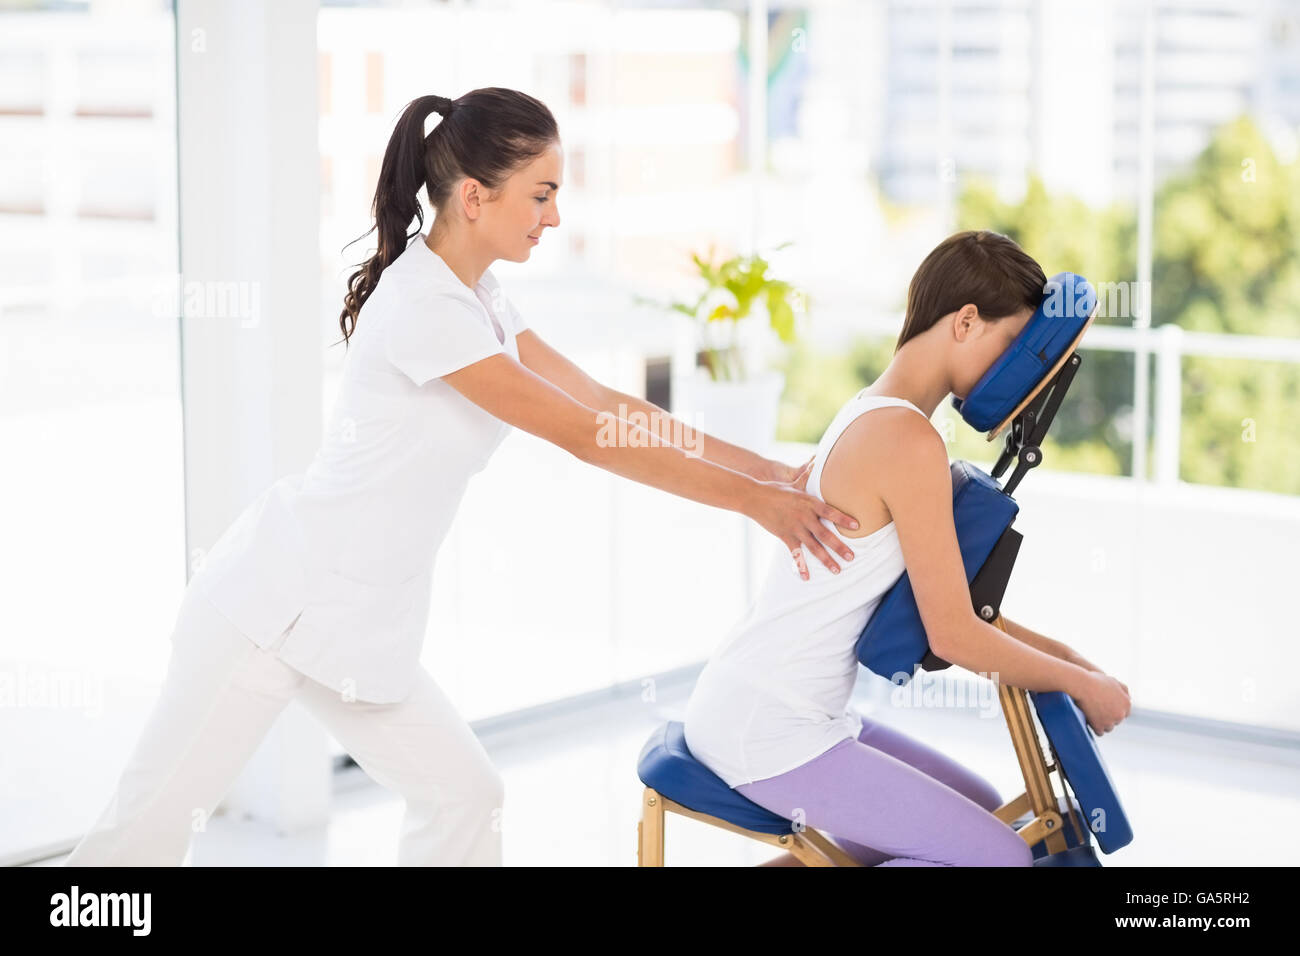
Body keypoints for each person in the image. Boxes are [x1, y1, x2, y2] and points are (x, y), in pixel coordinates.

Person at [64, 87, 863, 867]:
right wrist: (756, 504)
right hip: (273, 606)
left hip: (355, 625)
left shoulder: (477, 295)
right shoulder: (425, 308)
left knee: (463, 796)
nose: (554, 217)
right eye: (542, 195)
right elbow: (587, 436)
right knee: (137, 840)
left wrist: (768, 470)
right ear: (476, 196)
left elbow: (603, 400)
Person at [682, 230, 1133, 867]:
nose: (1016, 374)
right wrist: (1078, 682)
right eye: (1012, 345)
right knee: (996, 858)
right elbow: (954, 637)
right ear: (967, 321)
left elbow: (957, 610)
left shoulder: (877, 412)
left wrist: (1074, 664)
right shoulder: (908, 440)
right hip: (770, 729)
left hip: (775, 706)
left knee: (979, 805)